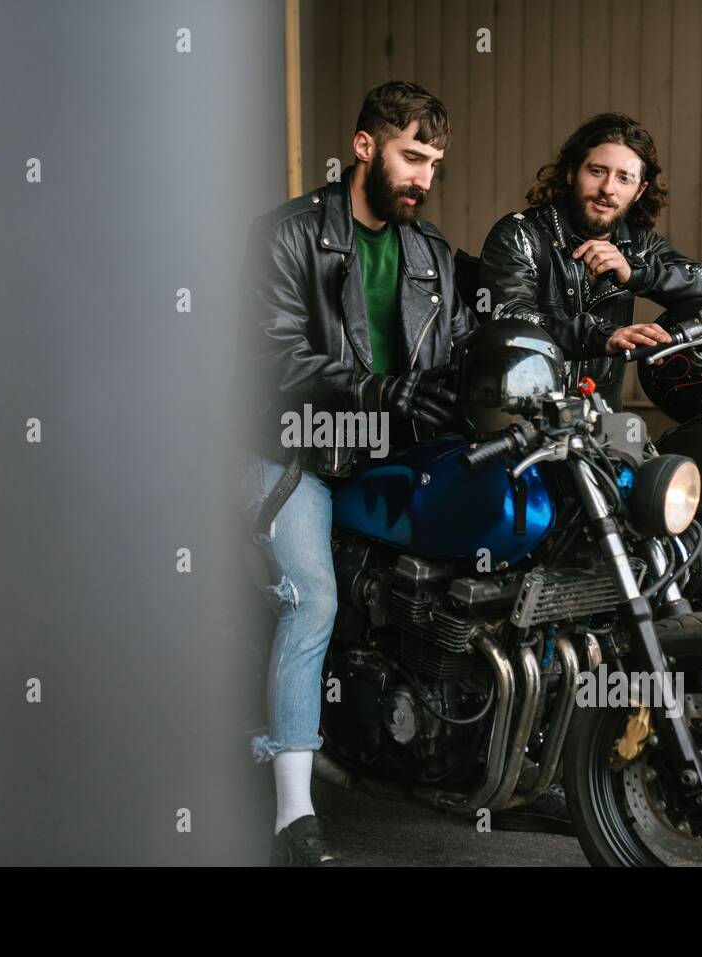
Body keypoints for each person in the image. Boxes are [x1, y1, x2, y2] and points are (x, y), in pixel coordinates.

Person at [236, 81, 474, 865]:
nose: (423, 176)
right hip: (293, 453)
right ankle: (295, 816)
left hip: (386, 458)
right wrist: (377, 389)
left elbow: (468, 342)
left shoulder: (431, 252)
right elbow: (275, 354)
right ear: (365, 146)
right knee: (314, 601)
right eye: (412, 155)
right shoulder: (287, 235)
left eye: (434, 161)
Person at [478, 112, 702, 414]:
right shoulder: (520, 233)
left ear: (639, 191)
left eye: (624, 178)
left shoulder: (641, 243)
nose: (608, 188)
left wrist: (635, 273)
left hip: (603, 427)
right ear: (571, 173)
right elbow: (509, 318)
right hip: (526, 424)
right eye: (597, 171)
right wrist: (602, 335)